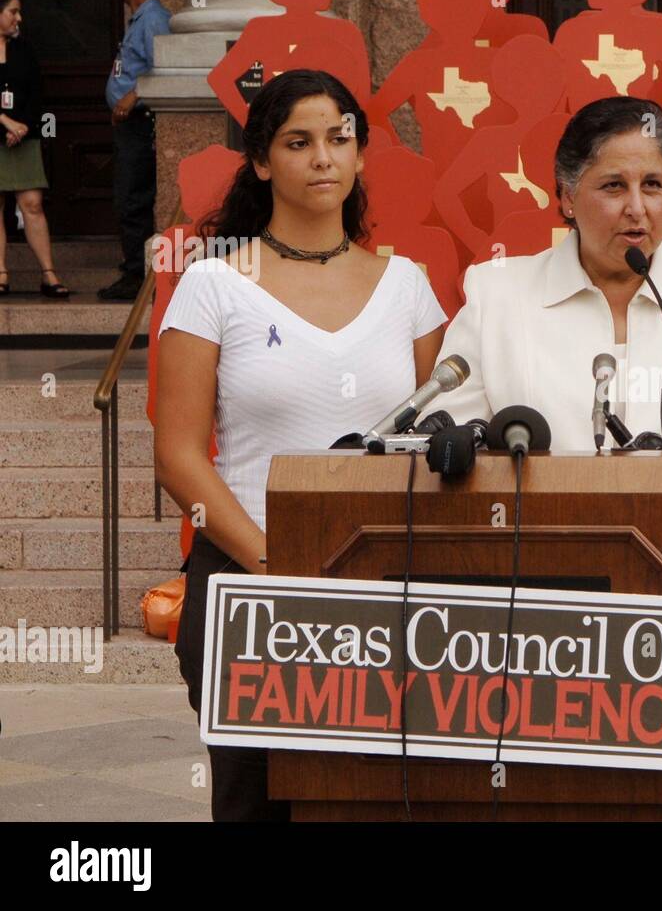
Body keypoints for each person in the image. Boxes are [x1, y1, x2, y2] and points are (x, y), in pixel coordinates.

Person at [154, 69, 447, 820]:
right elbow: (178, 456)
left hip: (385, 580)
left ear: (360, 155)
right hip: (247, 578)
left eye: (339, 139)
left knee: (378, 801)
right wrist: (274, 565)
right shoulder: (214, 284)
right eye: (298, 142)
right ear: (260, 161)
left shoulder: (407, 287)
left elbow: (436, 435)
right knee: (258, 803)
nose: (323, 157)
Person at [426, 95, 662, 641]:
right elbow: (449, 450)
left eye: (653, 185)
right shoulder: (498, 298)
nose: (637, 208)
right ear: (566, 196)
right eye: (613, 186)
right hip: (534, 617)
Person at [100, 0, 171, 301]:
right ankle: (134, 269)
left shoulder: (153, 19)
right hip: (130, 124)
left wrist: (131, 97)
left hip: (140, 123)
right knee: (128, 196)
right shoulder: (141, 18)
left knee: (133, 198)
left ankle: (136, 275)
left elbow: (165, 67)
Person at [0, 0, 68, 298]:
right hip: (4, 130)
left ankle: (48, 274)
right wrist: (5, 122)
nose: (19, 18)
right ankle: (1, 273)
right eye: (13, 12)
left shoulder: (24, 49)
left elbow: (37, 91)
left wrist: (23, 125)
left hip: (23, 138)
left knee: (33, 204)